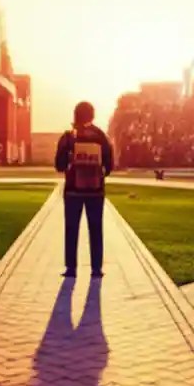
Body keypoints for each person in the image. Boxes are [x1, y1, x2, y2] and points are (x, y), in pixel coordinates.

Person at [54, 101, 114, 278]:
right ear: (92, 116)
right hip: (95, 191)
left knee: (71, 228)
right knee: (96, 228)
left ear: (75, 115)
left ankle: (71, 268)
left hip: (73, 191)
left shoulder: (68, 137)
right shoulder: (101, 137)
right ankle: (96, 269)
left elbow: (59, 165)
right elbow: (109, 166)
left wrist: (70, 159)